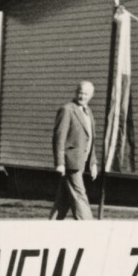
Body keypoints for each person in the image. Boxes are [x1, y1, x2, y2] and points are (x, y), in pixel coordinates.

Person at [51, 80, 97, 221]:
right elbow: (59, 138)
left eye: (85, 94)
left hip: (82, 162)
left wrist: (93, 163)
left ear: (91, 95)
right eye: (80, 92)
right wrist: (60, 163)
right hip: (71, 161)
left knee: (63, 201)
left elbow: (91, 139)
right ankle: (89, 230)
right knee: (79, 196)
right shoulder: (67, 109)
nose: (82, 96)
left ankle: (49, 230)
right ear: (76, 92)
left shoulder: (88, 111)